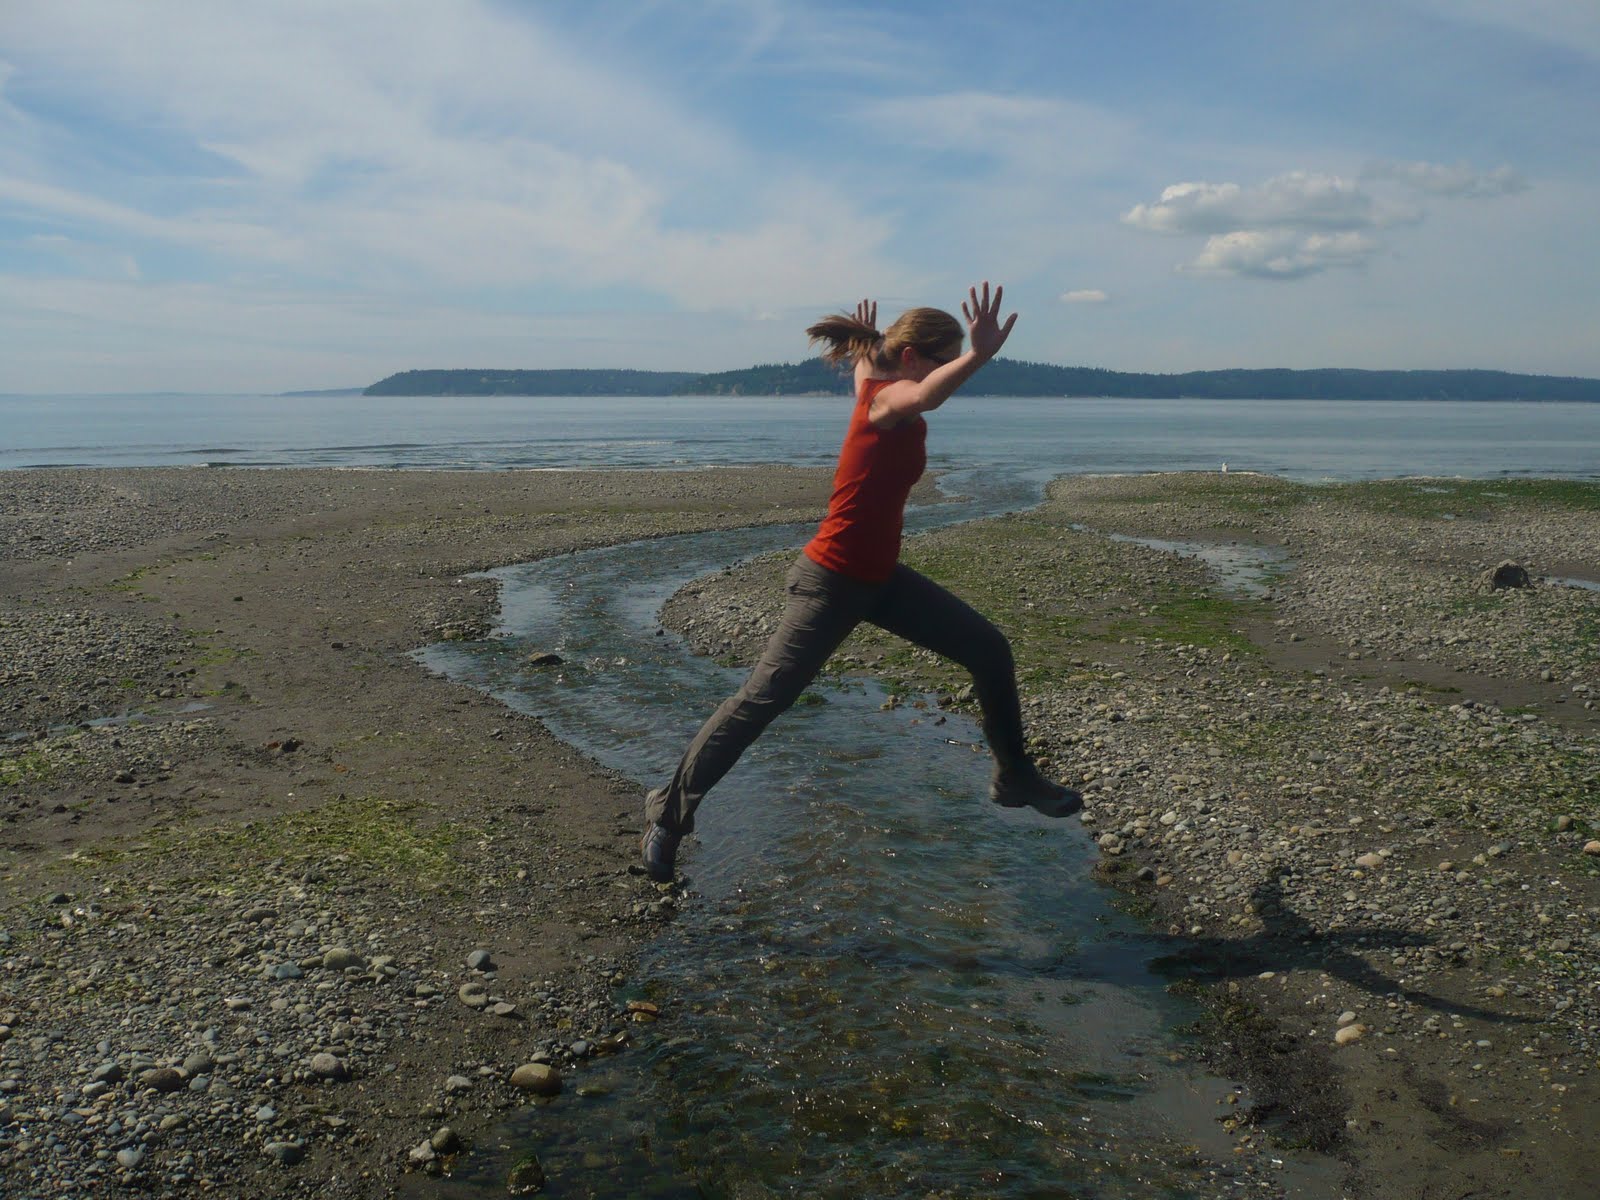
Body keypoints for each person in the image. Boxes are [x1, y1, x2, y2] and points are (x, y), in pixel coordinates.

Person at [641, 282, 1080, 882]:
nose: (949, 369)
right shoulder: (889, 399)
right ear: (910, 358)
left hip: (881, 579)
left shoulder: (873, 376)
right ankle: (667, 816)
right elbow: (922, 395)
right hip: (829, 580)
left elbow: (870, 366)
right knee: (761, 702)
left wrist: (861, 346)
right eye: (943, 358)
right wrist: (977, 356)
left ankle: (1014, 777)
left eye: (955, 359)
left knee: (988, 649)